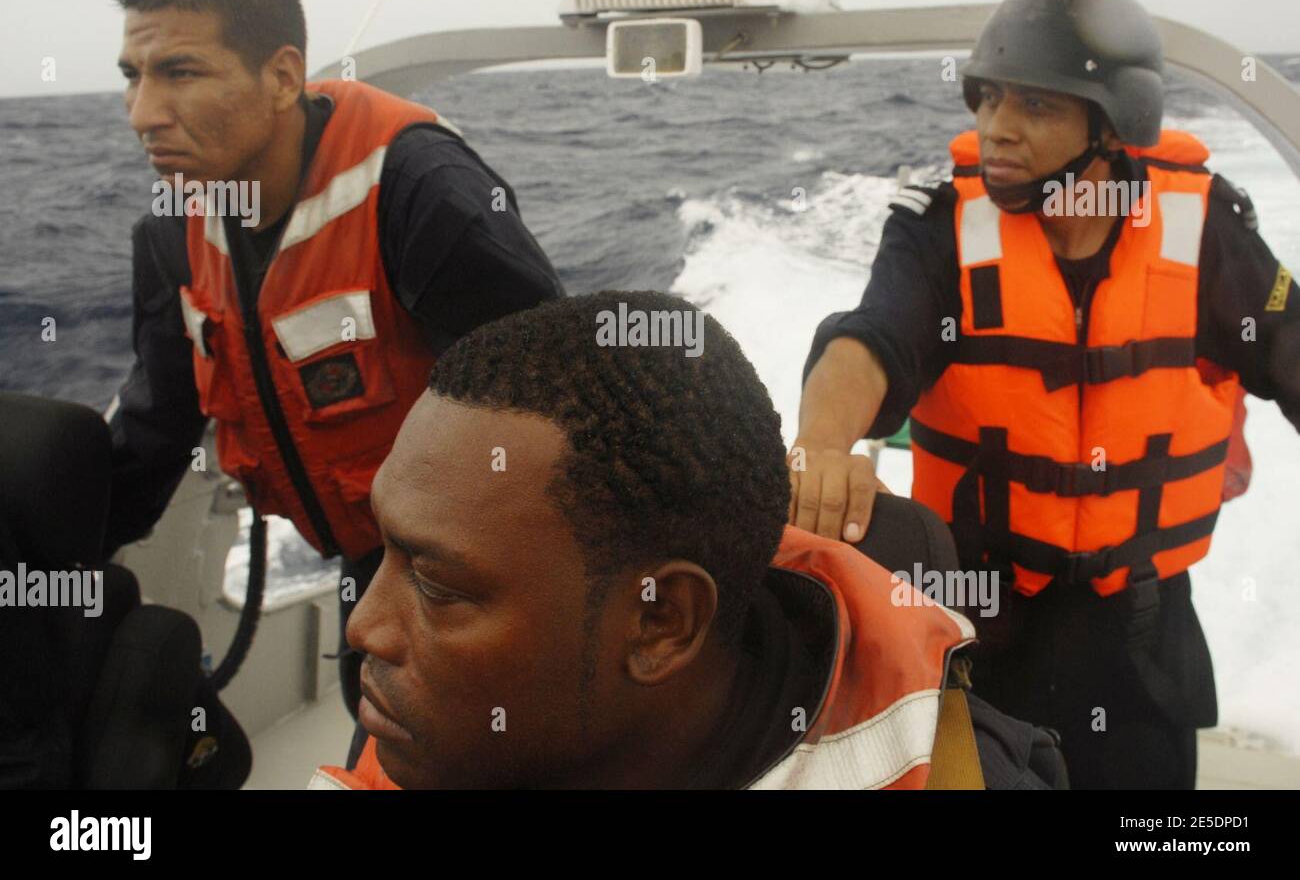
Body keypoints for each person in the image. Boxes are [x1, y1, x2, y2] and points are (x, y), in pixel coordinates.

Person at [793, 0, 1300, 788]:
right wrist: (820, 445)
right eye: (987, 99)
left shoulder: (1204, 229)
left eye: (1034, 106)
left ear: (1113, 126)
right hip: (980, 618)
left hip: (1141, 628)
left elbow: (1286, 347)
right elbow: (871, 339)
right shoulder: (939, 229)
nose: (996, 127)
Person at [312, 291, 1067, 790]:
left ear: (659, 621)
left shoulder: (963, 776)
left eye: (440, 589)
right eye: (388, 555)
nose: (362, 628)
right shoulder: (436, 736)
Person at [103, 0, 563, 736]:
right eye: (132, 77)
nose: (143, 113)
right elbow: (157, 427)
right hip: (364, 554)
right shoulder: (171, 232)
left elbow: (554, 410)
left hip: (484, 562)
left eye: (179, 73)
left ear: (283, 76)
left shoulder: (420, 192)